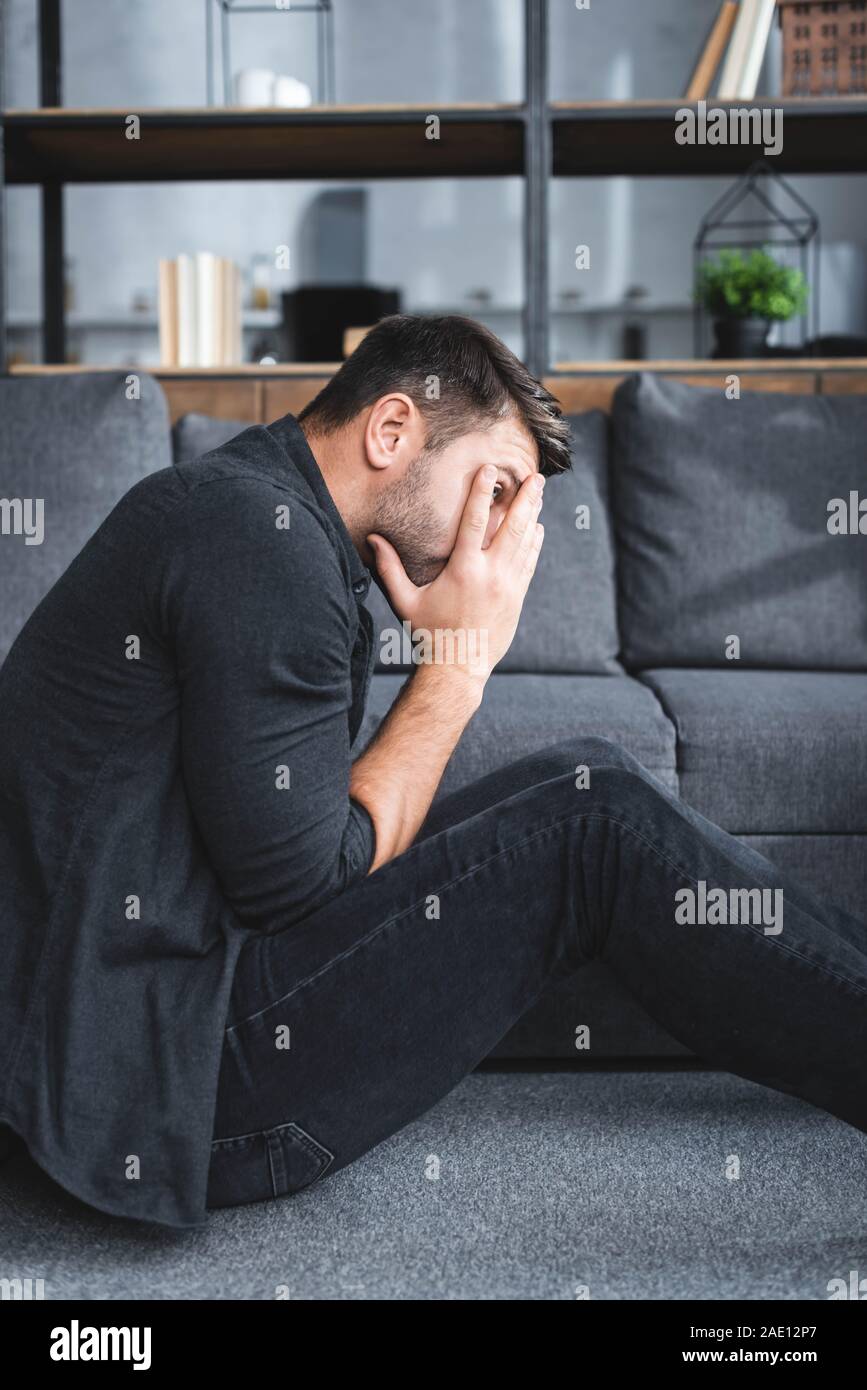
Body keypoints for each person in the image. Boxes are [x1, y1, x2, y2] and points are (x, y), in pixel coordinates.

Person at [0, 315, 864, 1231]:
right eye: (493, 489)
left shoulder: (254, 514)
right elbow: (302, 889)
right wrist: (457, 667)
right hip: (158, 1075)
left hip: (146, 1023)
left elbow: (304, 841)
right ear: (390, 430)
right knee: (592, 821)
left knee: (583, 782)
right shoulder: (259, 537)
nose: (490, 539)